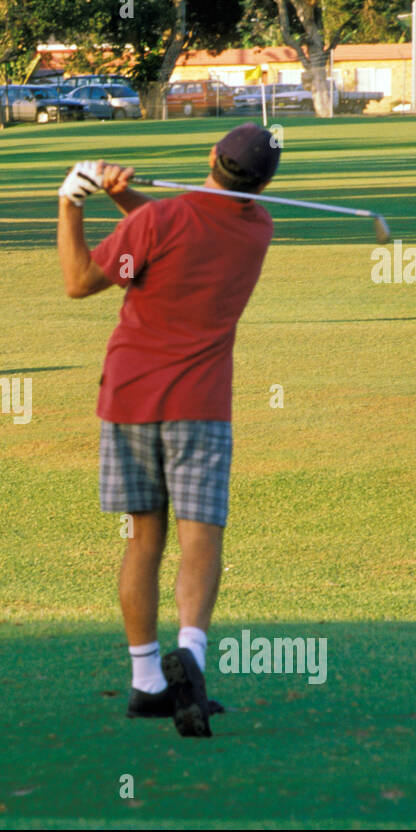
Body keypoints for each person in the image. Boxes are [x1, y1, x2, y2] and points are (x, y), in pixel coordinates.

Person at [55, 123, 280, 737]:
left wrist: (72, 202)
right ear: (265, 183)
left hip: (130, 400)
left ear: (212, 157)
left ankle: (147, 680)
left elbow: (80, 282)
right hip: (202, 406)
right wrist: (125, 201)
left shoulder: (157, 224)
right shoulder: (259, 229)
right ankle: (193, 656)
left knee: (142, 541)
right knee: (201, 536)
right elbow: (183, 230)